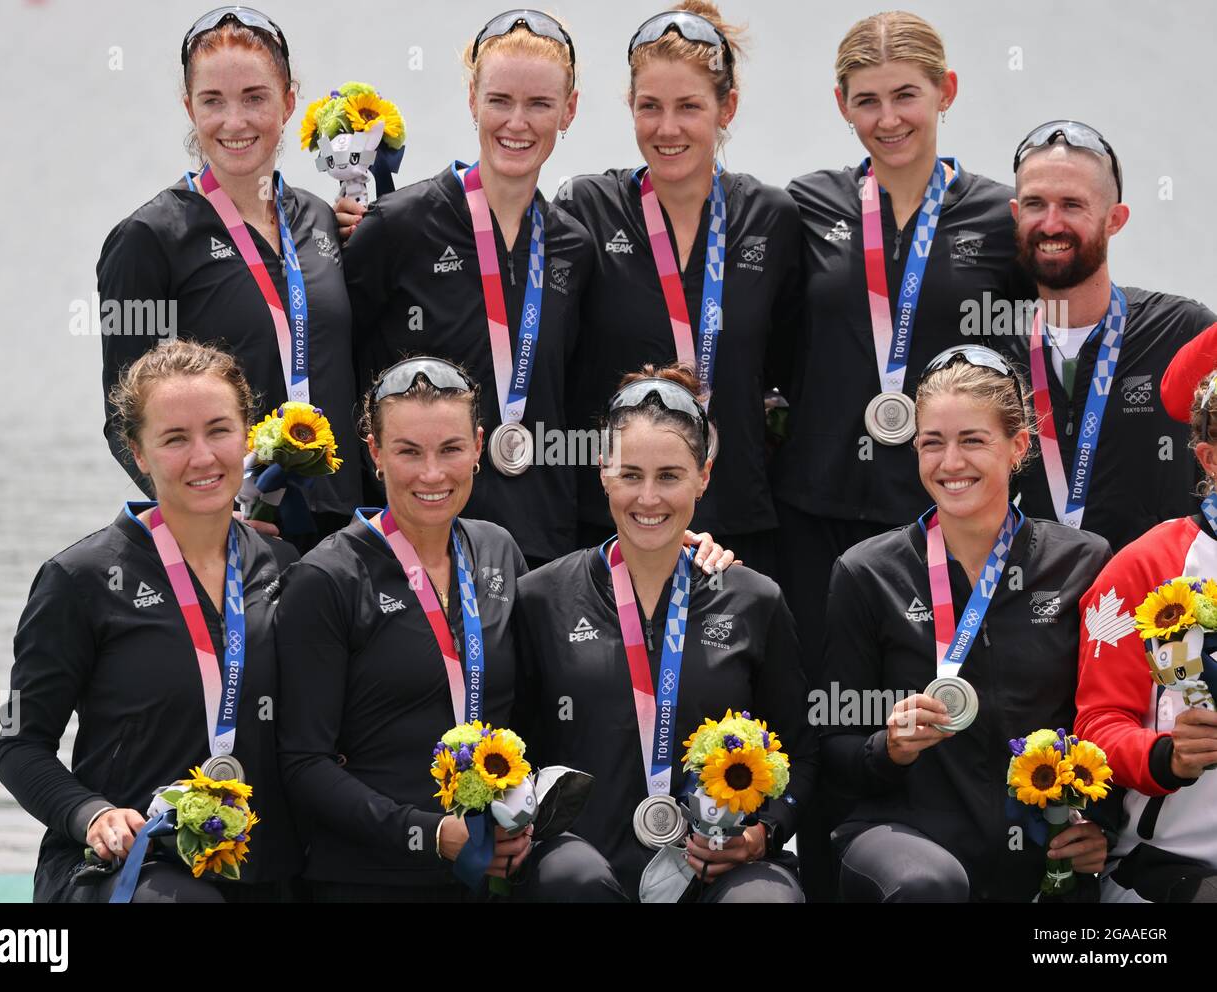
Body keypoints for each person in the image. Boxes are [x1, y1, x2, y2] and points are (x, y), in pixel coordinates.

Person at [774, 10, 1033, 901]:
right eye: (868, 100)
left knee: (950, 706)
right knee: (832, 715)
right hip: (821, 513)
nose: (889, 118)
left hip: (950, 510)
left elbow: (1052, 344)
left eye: (907, 96)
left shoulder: (1001, 215)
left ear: (947, 92)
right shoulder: (805, 206)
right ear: (842, 104)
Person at [275, 357, 630, 902]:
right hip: (377, 868)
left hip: (500, 853)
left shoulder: (496, 547)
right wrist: (433, 834)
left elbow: (592, 594)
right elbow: (304, 764)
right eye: (408, 451)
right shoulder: (326, 578)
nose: (432, 474)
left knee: (582, 881)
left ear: (479, 446)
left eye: (450, 449)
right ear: (374, 452)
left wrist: (689, 550)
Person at [0, 339, 301, 903]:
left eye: (218, 430)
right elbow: (20, 745)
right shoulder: (80, 578)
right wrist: (91, 814)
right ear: (138, 452)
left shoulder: (286, 568)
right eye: (175, 439)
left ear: (248, 435)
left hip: (264, 863)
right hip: (131, 865)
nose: (203, 457)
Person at [514, 364, 816, 902]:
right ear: (602, 470)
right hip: (584, 870)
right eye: (630, 475)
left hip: (717, 870)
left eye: (670, 476)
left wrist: (761, 832)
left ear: (704, 475)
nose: (648, 499)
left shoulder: (754, 598)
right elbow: (517, 744)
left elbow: (803, 751)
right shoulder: (540, 597)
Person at [823, 345, 1111, 901]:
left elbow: (1111, 720)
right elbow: (832, 745)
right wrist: (889, 745)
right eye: (932, 442)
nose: (950, 463)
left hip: (1042, 836)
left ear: (1019, 446)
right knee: (928, 885)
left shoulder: (1085, 562)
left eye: (972, 440)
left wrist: (1104, 827)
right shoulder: (866, 572)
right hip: (907, 838)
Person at [554, 1, 802, 577]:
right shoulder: (587, 209)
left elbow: (792, 369)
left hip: (735, 523)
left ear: (726, 107)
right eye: (650, 107)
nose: (668, 129)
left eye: (689, 106)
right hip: (611, 523)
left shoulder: (772, 217)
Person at [337, 11, 589, 569]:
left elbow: (570, 399)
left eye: (540, 104)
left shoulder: (573, 247)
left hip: (539, 546)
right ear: (472, 96)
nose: (516, 123)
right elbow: (335, 368)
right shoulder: (396, 226)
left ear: (568, 110)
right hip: (412, 545)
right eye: (500, 99)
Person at [98, 6, 358, 547]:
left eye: (254, 98)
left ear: (288, 103)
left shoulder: (317, 219)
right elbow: (126, 422)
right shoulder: (150, 239)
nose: (234, 122)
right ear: (188, 106)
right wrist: (209, 518)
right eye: (212, 101)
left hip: (344, 533)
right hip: (237, 537)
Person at [1003, 120, 1217, 552]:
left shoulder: (1183, 329)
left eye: (1071, 205)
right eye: (1035, 204)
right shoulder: (995, 348)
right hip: (1030, 606)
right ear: (1015, 215)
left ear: (1114, 219)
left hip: (1163, 609)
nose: (1050, 223)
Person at [1075, 335, 1217, 902]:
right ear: (1209, 457)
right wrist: (1168, 755)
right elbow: (1097, 726)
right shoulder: (1145, 565)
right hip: (1171, 866)